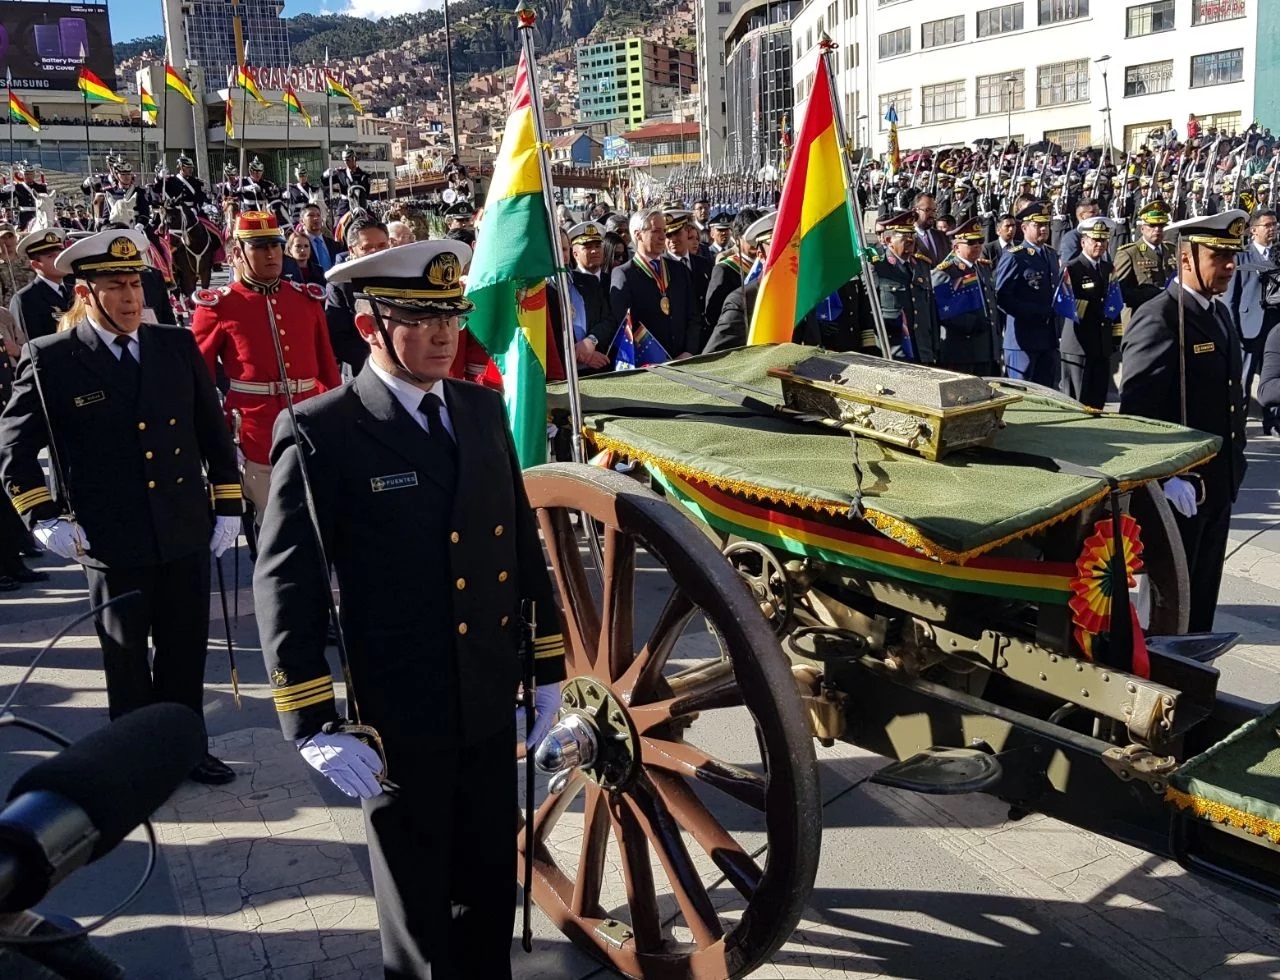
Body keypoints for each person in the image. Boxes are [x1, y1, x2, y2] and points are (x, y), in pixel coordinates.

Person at [253, 239, 565, 978]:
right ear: (369, 326)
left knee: (489, 890)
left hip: (488, 695)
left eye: (449, 318)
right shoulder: (321, 432)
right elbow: (288, 583)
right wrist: (311, 719)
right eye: (417, 319)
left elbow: (522, 548)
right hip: (397, 714)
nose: (442, 335)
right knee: (420, 915)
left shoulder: (481, 410)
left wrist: (545, 666)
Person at [0, 229, 243, 782]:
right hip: (111, 538)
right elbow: (13, 449)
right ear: (86, 293)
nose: (132, 298)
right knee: (126, 657)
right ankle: (136, 762)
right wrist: (41, 517)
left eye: (135, 283)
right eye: (116, 287)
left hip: (182, 528)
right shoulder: (53, 358)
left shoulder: (174, 346)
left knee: (185, 651)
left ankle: (185, 747)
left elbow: (212, 432)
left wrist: (226, 505)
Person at [1120, 211, 1249, 633]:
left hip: (1217, 482)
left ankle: (1192, 673)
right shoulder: (1159, 316)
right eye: (1218, 255)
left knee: (1202, 599)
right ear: (1187, 258)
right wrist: (1161, 479)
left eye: (1233, 256)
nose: (1229, 265)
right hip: (1181, 489)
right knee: (1170, 610)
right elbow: (1137, 412)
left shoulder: (1218, 313)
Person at [192, 212, 340, 523]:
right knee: (270, 523)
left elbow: (328, 369)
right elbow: (199, 380)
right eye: (259, 247)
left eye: (275, 245)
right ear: (238, 253)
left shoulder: (305, 299)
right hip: (256, 431)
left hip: (310, 421)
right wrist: (214, 435)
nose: (271, 253)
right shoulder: (220, 305)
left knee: (322, 519)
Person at [609, 208, 700, 359]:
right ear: (638, 235)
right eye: (656, 231)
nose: (663, 237)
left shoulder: (679, 269)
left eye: (664, 231)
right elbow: (625, 326)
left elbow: (693, 315)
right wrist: (655, 357)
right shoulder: (624, 274)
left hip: (684, 358)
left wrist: (689, 351)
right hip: (649, 364)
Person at [995, 200, 1062, 387]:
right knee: (1020, 392)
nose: (1043, 229)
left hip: (1048, 339)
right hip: (1022, 340)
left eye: (1046, 224)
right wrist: (1035, 312)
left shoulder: (1050, 254)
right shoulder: (1015, 256)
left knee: (1047, 394)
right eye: (1038, 225)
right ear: (1024, 228)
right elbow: (1002, 297)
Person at [1226, 208, 1280, 430]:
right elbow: (1231, 299)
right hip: (1249, 328)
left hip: (1275, 328)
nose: (1273, 229)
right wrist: (1233, 330)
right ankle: (1239, 421)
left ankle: (1274, 421)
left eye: (1275, 225)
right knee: (1244, 378)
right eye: (1268, 225)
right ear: (1253, 230)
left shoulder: (1278, 256)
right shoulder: (1242, 256)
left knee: (1274, 376)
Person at [931, 217, 1001, 376]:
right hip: (962, 351)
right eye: (971, 243)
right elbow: (945, 312)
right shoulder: (946, 272)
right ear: (956, 247)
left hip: (986, 349)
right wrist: (975, 324)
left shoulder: (983, 267)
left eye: (980, 240)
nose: (977, 246)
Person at [1060, 216, 1118, 408]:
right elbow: (1067, 305)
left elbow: (1115, 305)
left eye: (1103, 240)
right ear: (1084, 241)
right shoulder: (1072, 268)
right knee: (1078, 400)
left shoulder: (1108, 268)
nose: (1099, 244)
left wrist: (1115, 337)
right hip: (1079, 342)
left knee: (1098, 399)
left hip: (1102, 343)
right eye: (1095, 240)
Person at [869, 210, 939, 363]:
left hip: (922, 349)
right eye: (904, 237)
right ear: (888, 240)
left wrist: (934, 346)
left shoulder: (922, 265)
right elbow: (869, 311)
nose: (911, 240)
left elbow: (929, 310)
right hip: (894, 351)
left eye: (912, 235)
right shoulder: (878, 267)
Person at [327, 219, 393, 376]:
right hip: (364, 370)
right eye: (367, 248)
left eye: (382, 246)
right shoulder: (339, 284)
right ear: (352, 250)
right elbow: (339, 338)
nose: (376, 252)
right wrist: (383, 361)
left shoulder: (403, 276)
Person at [704, 207, 761, 333]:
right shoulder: (724, 269)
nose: (754, 241)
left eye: (758, 235)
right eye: (749, 236)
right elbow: (712, 315)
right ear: (737, 238)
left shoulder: (765, 265)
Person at [9, 229, 71, 343]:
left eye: (61, 254)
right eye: (51, 257)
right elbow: (29, 346)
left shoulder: (75, 290)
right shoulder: (25, 299)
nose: (59, 260)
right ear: (35, 264)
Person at [323, 147, 372, 222]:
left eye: (348, 160)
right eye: (344, 160)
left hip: (360, 202)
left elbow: (367, 192)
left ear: (354, 159)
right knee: (337, 222)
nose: (346, 162)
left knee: (374, 220)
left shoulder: (364, 175)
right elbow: (325, 183)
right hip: (346, 203)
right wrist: (326, 175)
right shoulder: (340, 173)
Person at [1057, 198, 1101, 264]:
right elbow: (1069, 268)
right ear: (1082, 216)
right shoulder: (1071, 238)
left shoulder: (1100, 237)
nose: (1098, 215)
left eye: (1098, 211)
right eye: (1093, 212)